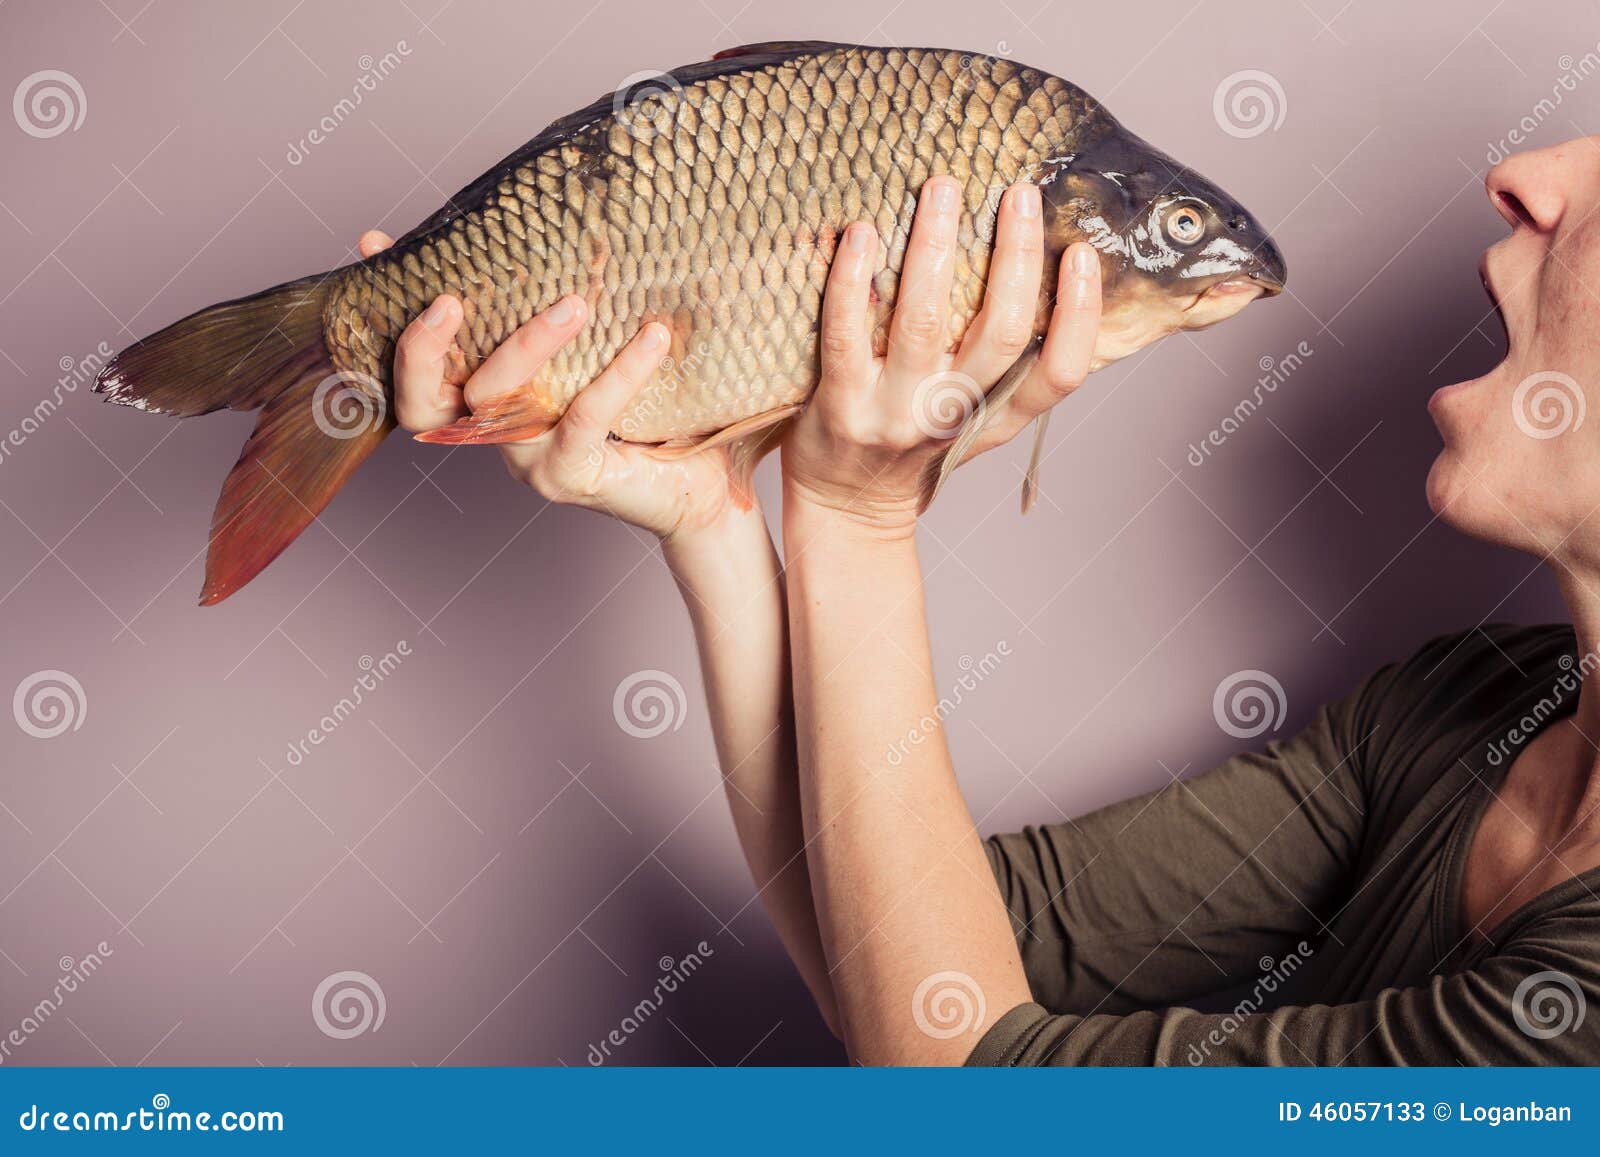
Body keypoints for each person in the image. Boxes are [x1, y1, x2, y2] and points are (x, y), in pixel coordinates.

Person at [359, 136, 1600, 1066]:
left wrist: (852, 516)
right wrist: (716, 517)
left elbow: (972, 1096)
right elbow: (908, 943)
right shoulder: (1468, 708)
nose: (1528, 172)